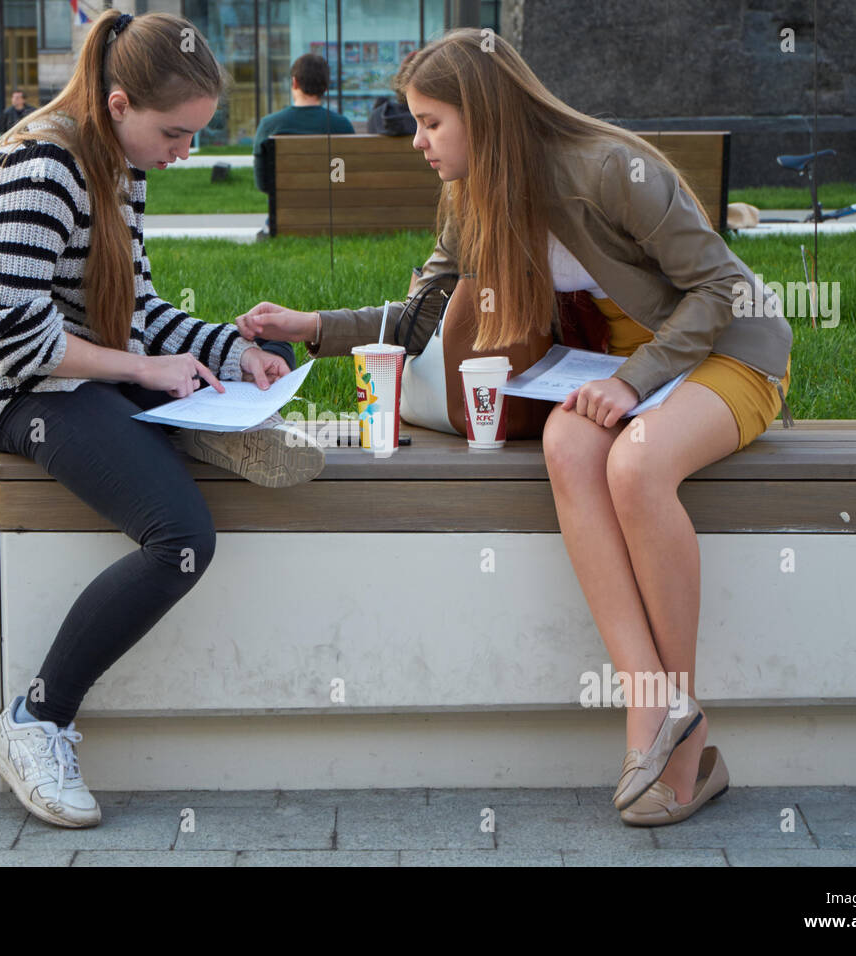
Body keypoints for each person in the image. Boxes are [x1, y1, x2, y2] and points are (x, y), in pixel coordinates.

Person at [235, 28, 794, 827]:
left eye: (431, 122)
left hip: (727, 353)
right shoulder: (472, 196)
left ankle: (675, 731)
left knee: (635, 467)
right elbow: (421, 317)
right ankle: (658, 705)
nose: (418, 140)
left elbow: (718, 291)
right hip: (619, 376)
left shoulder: (608, 168)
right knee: (567, 445)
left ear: (485, 114)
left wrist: (633, 380)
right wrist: (309, 324)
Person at [0, 10, 324, 829]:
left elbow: (137, 309)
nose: (184, 150)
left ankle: (199, 415)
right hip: (19, 394)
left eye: (195, 134)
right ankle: (33, 722)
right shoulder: (42, 165)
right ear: (118, 104)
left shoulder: (119, 163)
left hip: (84, 374)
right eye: (176, 132)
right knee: (182, 538)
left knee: (198, 382)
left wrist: (230, 353)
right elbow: (7, 331)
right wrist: (142, 370)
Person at [251, 53, 354, 194]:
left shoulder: (269, 125)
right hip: (330, 213)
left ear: (294, 82)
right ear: (326, 87)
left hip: (285, 214)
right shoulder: (342, 126)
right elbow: (344, 179)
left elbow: (263, 184)